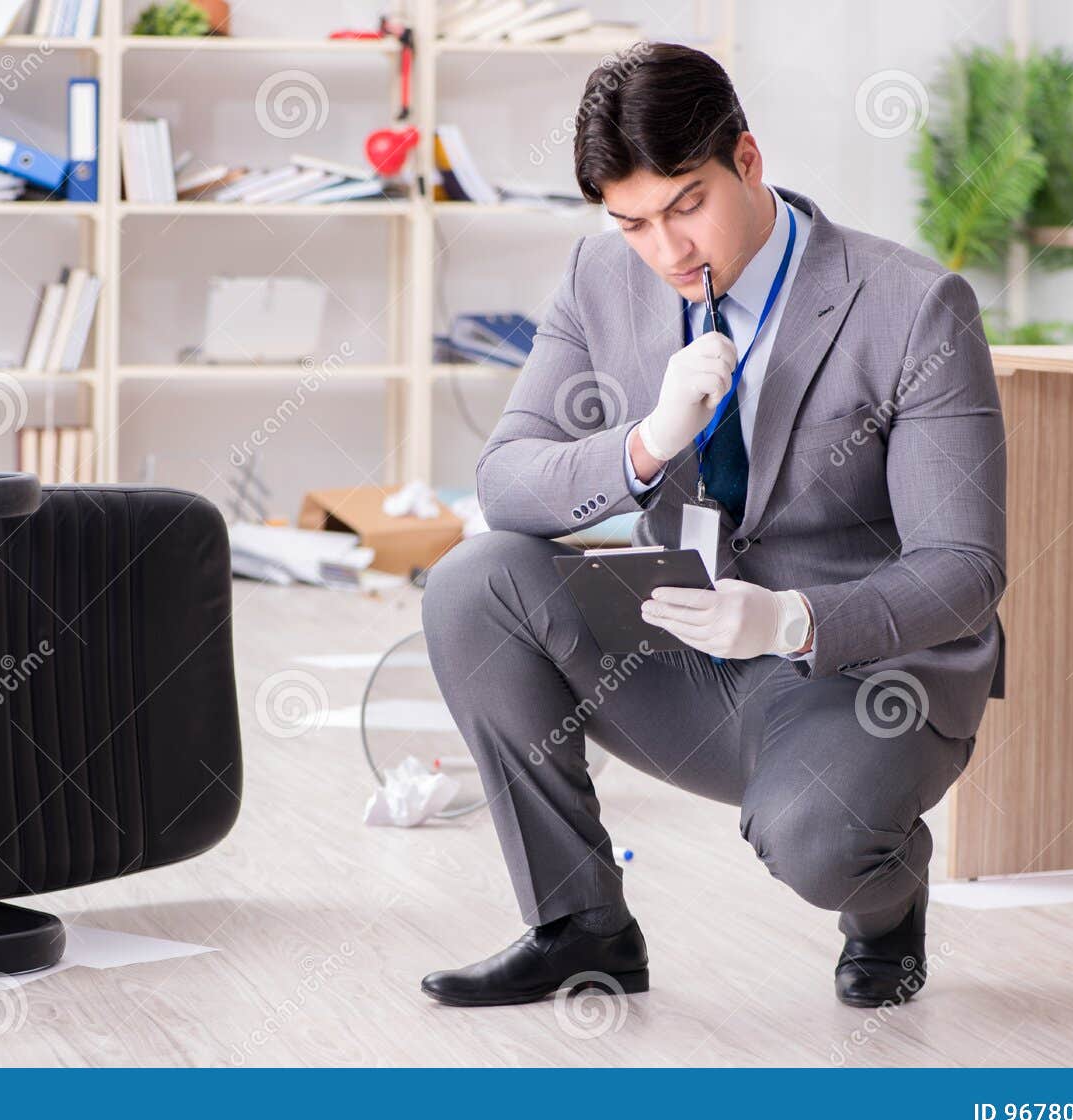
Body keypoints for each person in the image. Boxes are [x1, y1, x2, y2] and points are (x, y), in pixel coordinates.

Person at [419, 42, 1006, 1010]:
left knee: (817, 846)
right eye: (633, 222)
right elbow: (506, 482)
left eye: (686, 205)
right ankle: (582, 925)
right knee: (471, 584)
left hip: (858, 674)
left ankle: (886, 897)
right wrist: (642, 445)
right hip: (686, 655)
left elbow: (964, 570)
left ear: (746, 160)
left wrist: (790, 622)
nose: (666, 251)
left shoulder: (911, 307)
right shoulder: (600, 280)